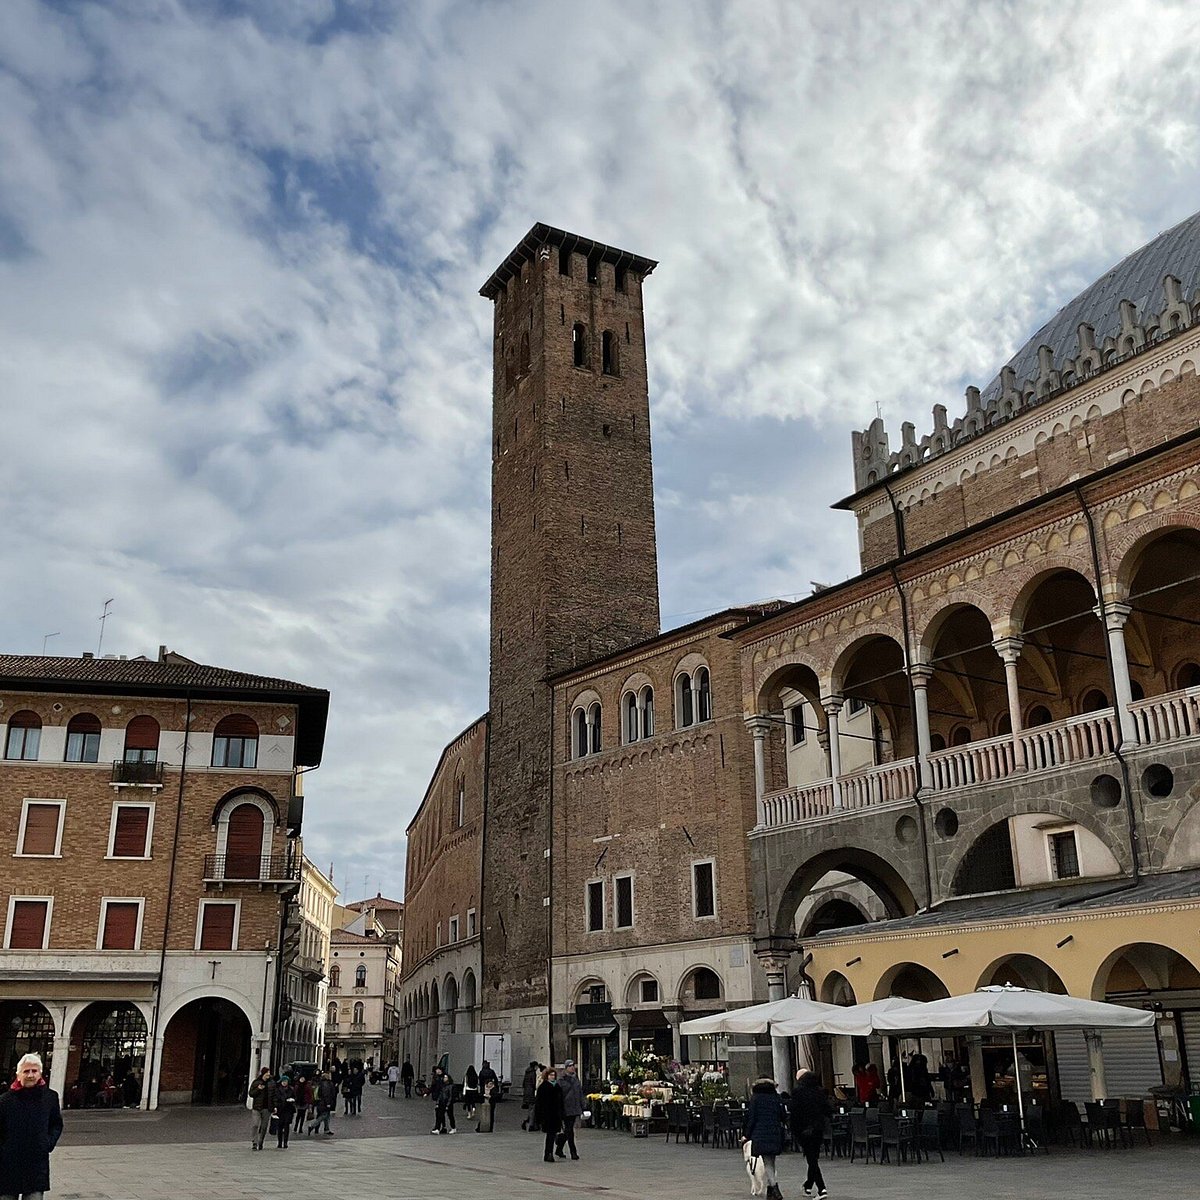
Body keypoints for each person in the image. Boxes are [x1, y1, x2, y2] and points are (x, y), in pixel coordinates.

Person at [0, 1053, 63, 1200]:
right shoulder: (5, 1101)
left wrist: (47, 1143)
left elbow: (56, 1124)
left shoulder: (50, 1097)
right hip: (8, 1166)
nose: (30, 1075)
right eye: (26, 1071)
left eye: (34, 1071)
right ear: (18, 1074)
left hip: (36, 1165)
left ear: (40, 1073)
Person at [789, 1069, 831, 1200]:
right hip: (817, 1129)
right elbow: (828, 1109)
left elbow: (794, 1111)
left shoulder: (797, 1092)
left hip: (804, 1130)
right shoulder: (820, 1092)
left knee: (811, 1159)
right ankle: (808, 1185)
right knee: (813, 1158)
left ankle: (821, 1188)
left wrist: (794, 1129)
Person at [741, 1077, 785, 1200]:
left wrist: (747, 1135)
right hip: (774, 1133)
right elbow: (782, 1115)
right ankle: (771, 1191)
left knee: (767, 1162)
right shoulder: (776, 1097)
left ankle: (774, 1188)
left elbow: (752, 1118)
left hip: (760, 1134)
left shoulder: (756, 1098)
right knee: (771, 1161)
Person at [533, 1067, 563, 1164]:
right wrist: (539, 1118)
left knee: (554, 1134)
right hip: (547, 1115)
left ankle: (551, 1152)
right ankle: (548, 1153)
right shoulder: (543, 1087)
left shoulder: (557, 1087)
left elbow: (560, 1101)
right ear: (547, 1076)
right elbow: (538, 1103)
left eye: (554, 1075)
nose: (552, 1077)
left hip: (556, 1115)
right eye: (551, 1075)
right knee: (550, 1135)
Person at [554, 1059, 583, 1160]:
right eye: (570, 1066)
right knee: (570, 1131)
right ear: (566, 1068)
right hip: (565, 1109)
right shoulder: (561, 1080)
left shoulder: (576, 1079)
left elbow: (579, 1093)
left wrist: (582, 1105)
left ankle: (559, 1146)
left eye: (573, 1065)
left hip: (575, 1108)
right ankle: (573, 1152)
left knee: (568, 1130)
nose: (572, 1067)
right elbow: (558, 1096)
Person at [248, 1067, 274, 1151]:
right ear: (263, 1074)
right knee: (255, 1124)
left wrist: (275, 1106)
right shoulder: (256, 1082)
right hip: (257, 1107)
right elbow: (251, 1094)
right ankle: (254, 1142)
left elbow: (274, 1096)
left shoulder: (271, 1083)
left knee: (264, 1126)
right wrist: (258, 1089)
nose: (268, 1075)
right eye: (267, 1073)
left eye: (269, 1073)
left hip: (267, 1108)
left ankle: (261, 1141)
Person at [306, 1071, 336, 1136]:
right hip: (324, 1103)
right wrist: (328, 1103)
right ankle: (312, 1126)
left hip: (321, 1102)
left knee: (327, 1116)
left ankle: (326, 1129)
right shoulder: (326, 1084)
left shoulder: (322, 1083)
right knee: (323, 1116)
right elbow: (326, 1094)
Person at [431, 1067, 456, 1134]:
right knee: (440, 1115)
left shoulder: (450, 1086)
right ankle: (438, 1128)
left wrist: (448, 1104)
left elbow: (451, 1096)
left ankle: (453, 1127)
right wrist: (438, 1102)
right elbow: (440, 1094)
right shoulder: (443, 1085)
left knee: (450, 1115)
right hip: (442, 1102)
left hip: (447, 1103)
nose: (444, 1079)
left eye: (445, 1078)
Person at [273, 1075, 296, 1149]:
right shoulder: (278, 1090)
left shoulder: (291, 1089)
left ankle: (285, 1142)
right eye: (283, 1081)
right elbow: (275, 1099)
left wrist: (292, 1100)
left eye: (286, 1081)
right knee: (280, 1126)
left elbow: (295, 1097)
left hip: (288, 1110)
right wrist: (276, 1106)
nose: (284, 1083)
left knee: (286, 1126)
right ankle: (279, 1142)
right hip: (280, 1110)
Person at [520, 1061, 540, 1131]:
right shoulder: (533, 1073)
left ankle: (527, 1122)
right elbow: (534, 1083)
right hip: (531, 1093)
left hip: (526, 1093)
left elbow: (523, 1083)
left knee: (530, 1109)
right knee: (532, 1109)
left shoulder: (527, 1072)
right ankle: (531, 1125)